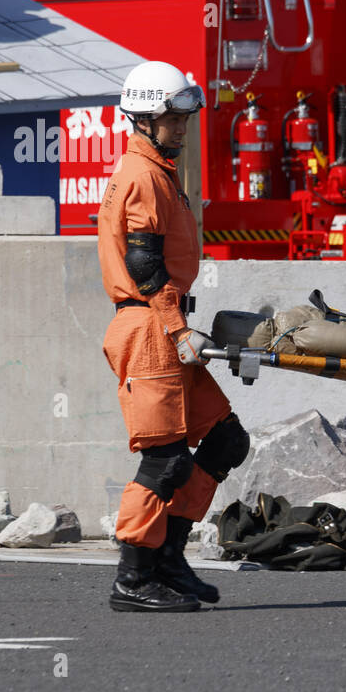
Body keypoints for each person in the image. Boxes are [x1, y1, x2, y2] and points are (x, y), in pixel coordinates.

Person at [98, 60, 250, 612]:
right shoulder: (141, 176)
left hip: (163, 322)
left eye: (186, 117)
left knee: (227, 439)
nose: (182, 127)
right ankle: (133, 579)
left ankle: (169, 558)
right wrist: (178, 328)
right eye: (173, 117)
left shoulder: (159, 171)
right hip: (150, 326)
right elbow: (145, 267)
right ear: (143, 117)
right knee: (164, 461)